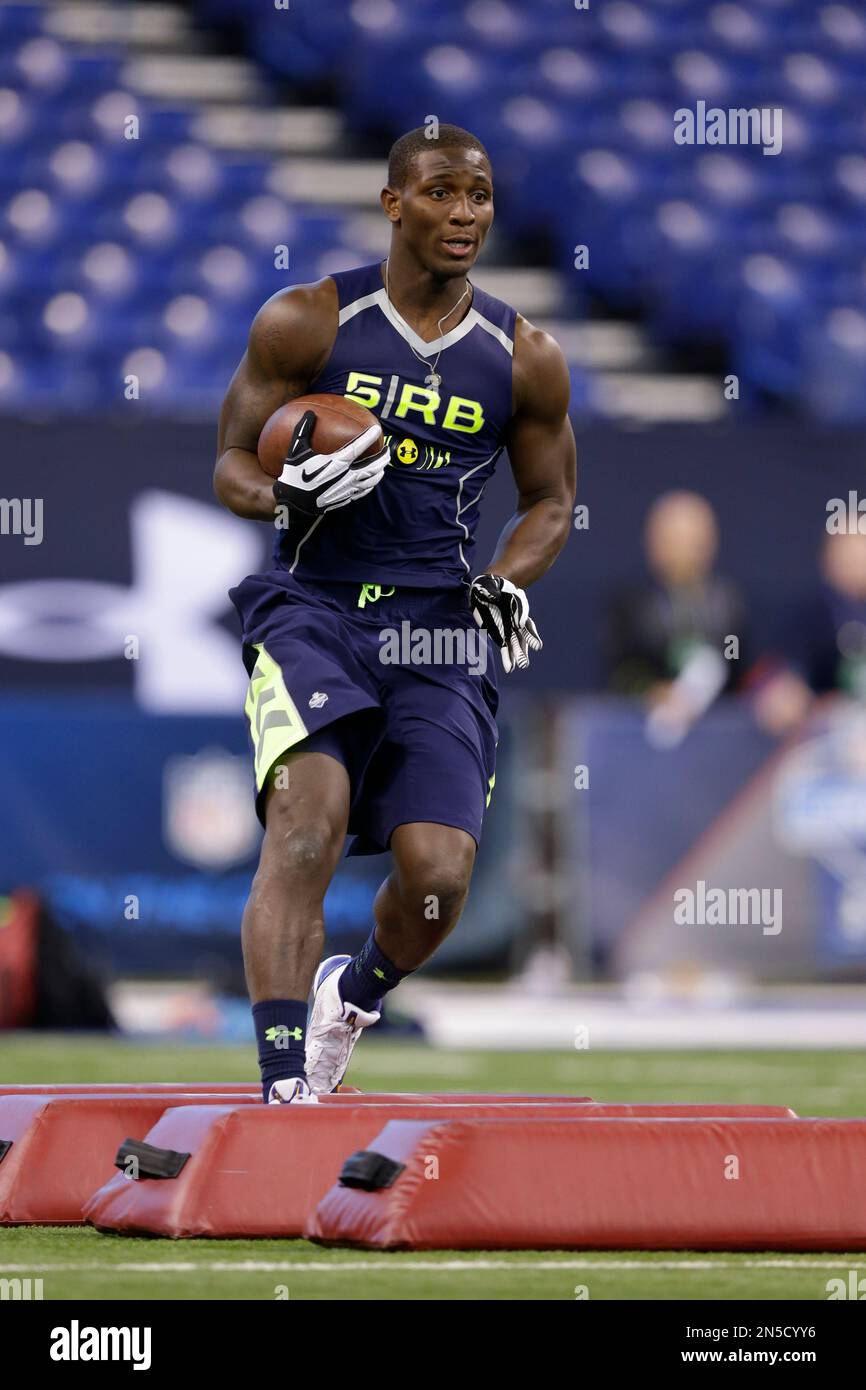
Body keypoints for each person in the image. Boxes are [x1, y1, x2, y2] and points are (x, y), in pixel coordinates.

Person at [213, 124, 576, 1102]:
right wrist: (286, 497)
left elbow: (550, 499)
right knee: (305, 822)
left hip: (437, 623)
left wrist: (504, 581)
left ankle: (356, 994)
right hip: (314, 605)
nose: (464, 213)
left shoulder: (522, 353)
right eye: (442, 193)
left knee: (438, 874)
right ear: (392, 204)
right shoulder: (308, 320)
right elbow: (231, 461)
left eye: (480, 195)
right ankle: (283, 1080)